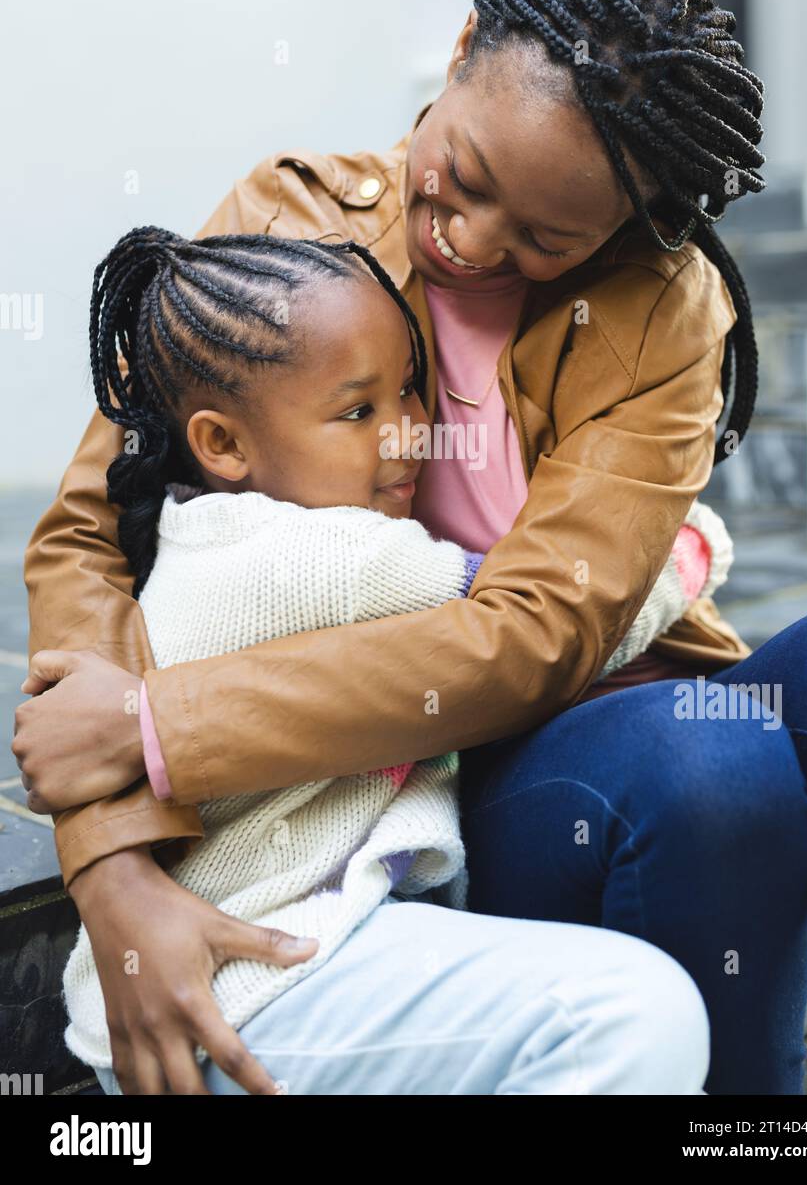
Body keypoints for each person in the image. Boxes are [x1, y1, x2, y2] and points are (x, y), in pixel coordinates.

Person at [16, 0, 807, 1094]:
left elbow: (539, 632)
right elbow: (87, 531)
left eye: (545, 238)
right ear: (463, 47)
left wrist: (168, 720)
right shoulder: (288, 220)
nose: (468, 241)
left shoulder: (669, 305)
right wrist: (114, 869)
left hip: (588, 734)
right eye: (463, 178)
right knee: (716, 763)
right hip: (402, 788)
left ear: (627, 222)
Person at [67, 223, 723, 1096]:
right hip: (258, 989)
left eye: (411, 392)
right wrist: (692, 548)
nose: (410, 433)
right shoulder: (329, 559)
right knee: (629, 1015)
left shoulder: (203, 536)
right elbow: (563, 616)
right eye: (358, 412)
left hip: (248, 981)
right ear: (223, 445)